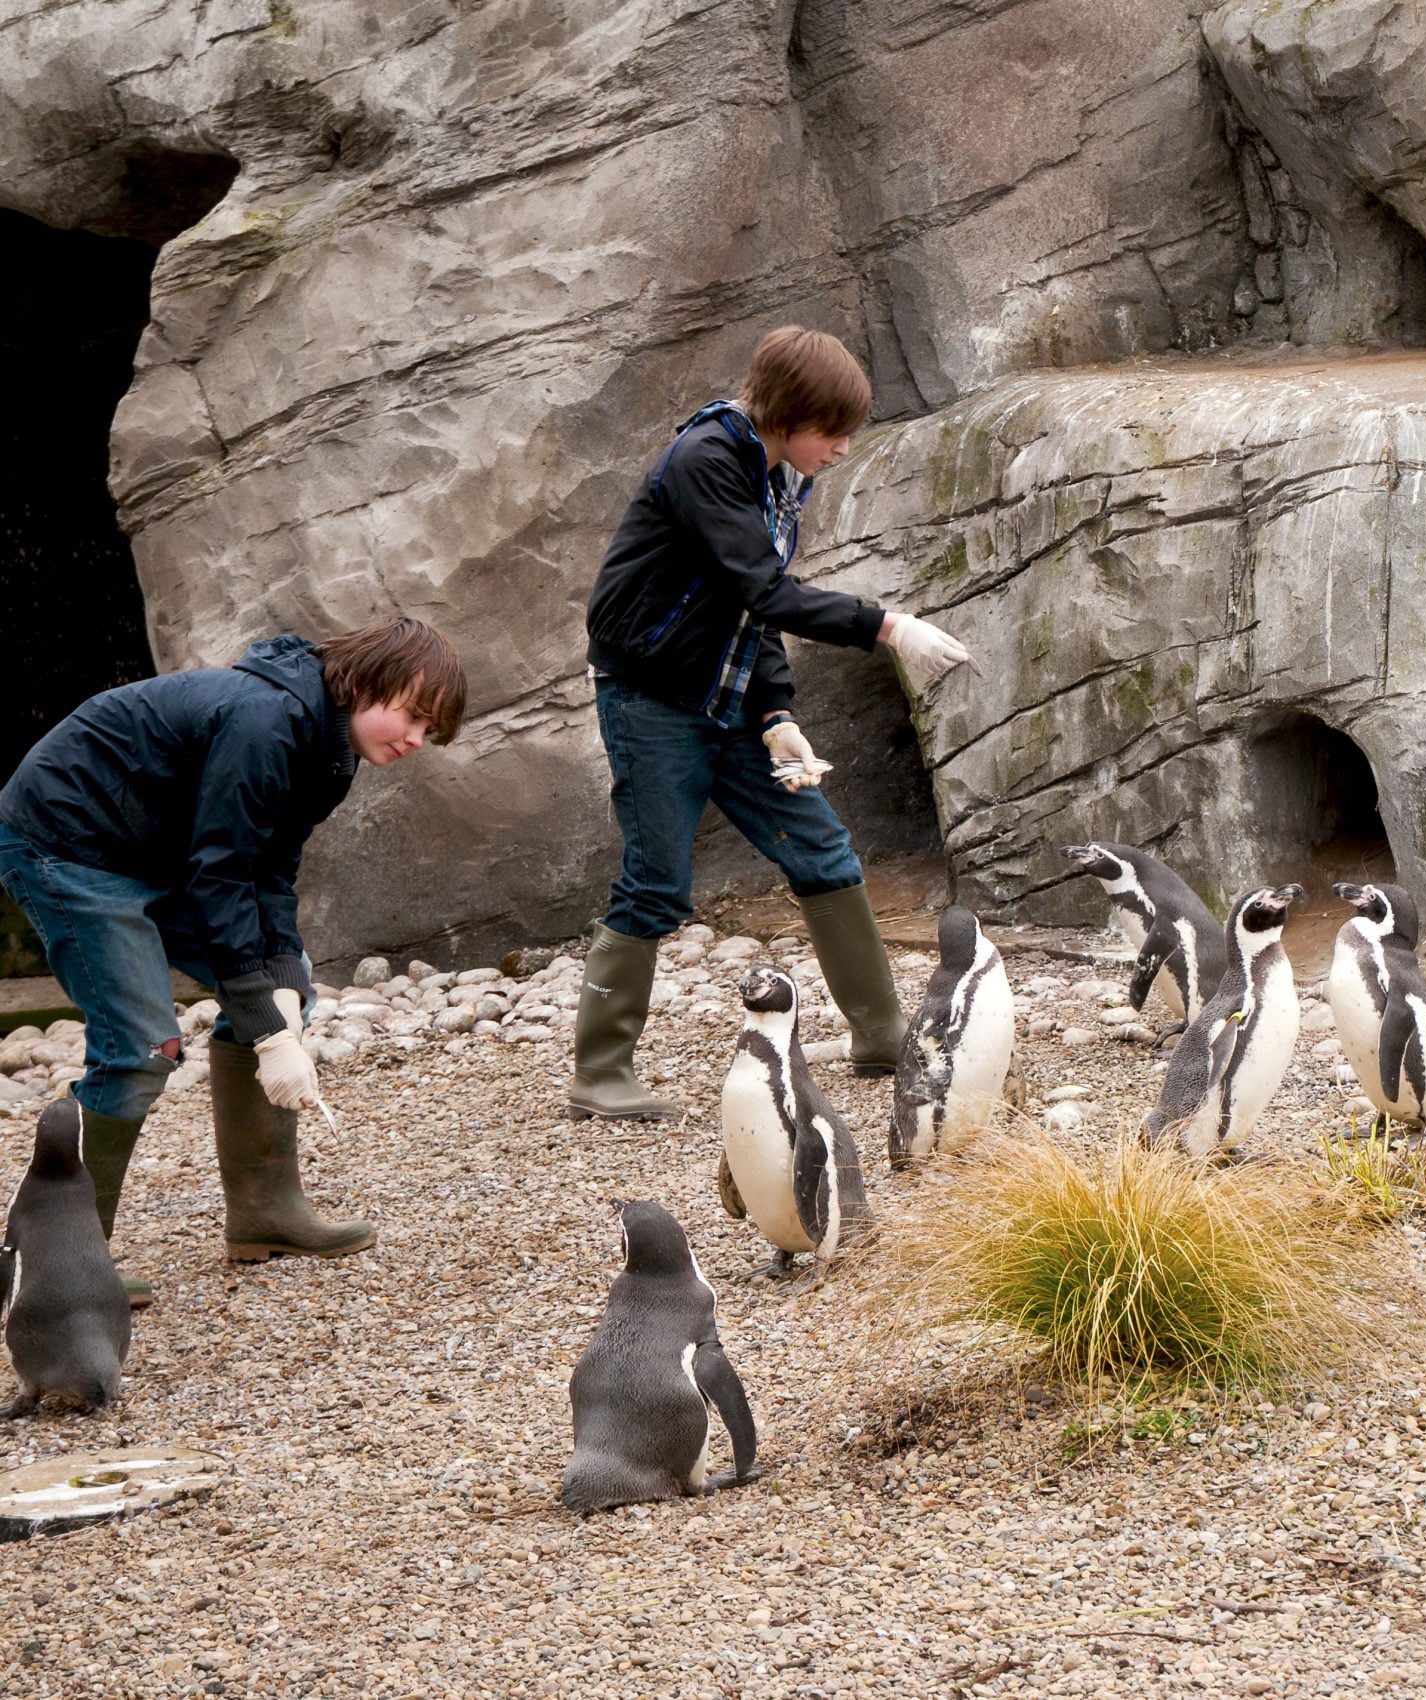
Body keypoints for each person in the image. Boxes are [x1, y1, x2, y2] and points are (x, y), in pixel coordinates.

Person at [0, 617, 467, 1303]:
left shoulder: (331, 753)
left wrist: (280, 995)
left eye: (432, 732)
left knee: (288, 991)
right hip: (69, 844)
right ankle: (53, 1264)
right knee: (140, 1050)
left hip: (158, 850)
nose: (416, 740)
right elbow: (219, 876)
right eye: (414, 715)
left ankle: (264, 1212)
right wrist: (270, 1033)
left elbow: (267, 875)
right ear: (369, 681)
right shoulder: (265, 721)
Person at [574, 326, 971, 1119]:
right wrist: (887, 626)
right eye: (835, 430)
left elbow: (750, 614)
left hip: (729, 702)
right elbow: (762, 590)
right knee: (656, 884)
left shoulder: (781, 472)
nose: (844, 448)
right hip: (651, 702)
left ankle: (882, 1034)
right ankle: (600, 1072)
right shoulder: (707, 462)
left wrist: (776, 713)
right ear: (789, 415)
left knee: (822, 850)